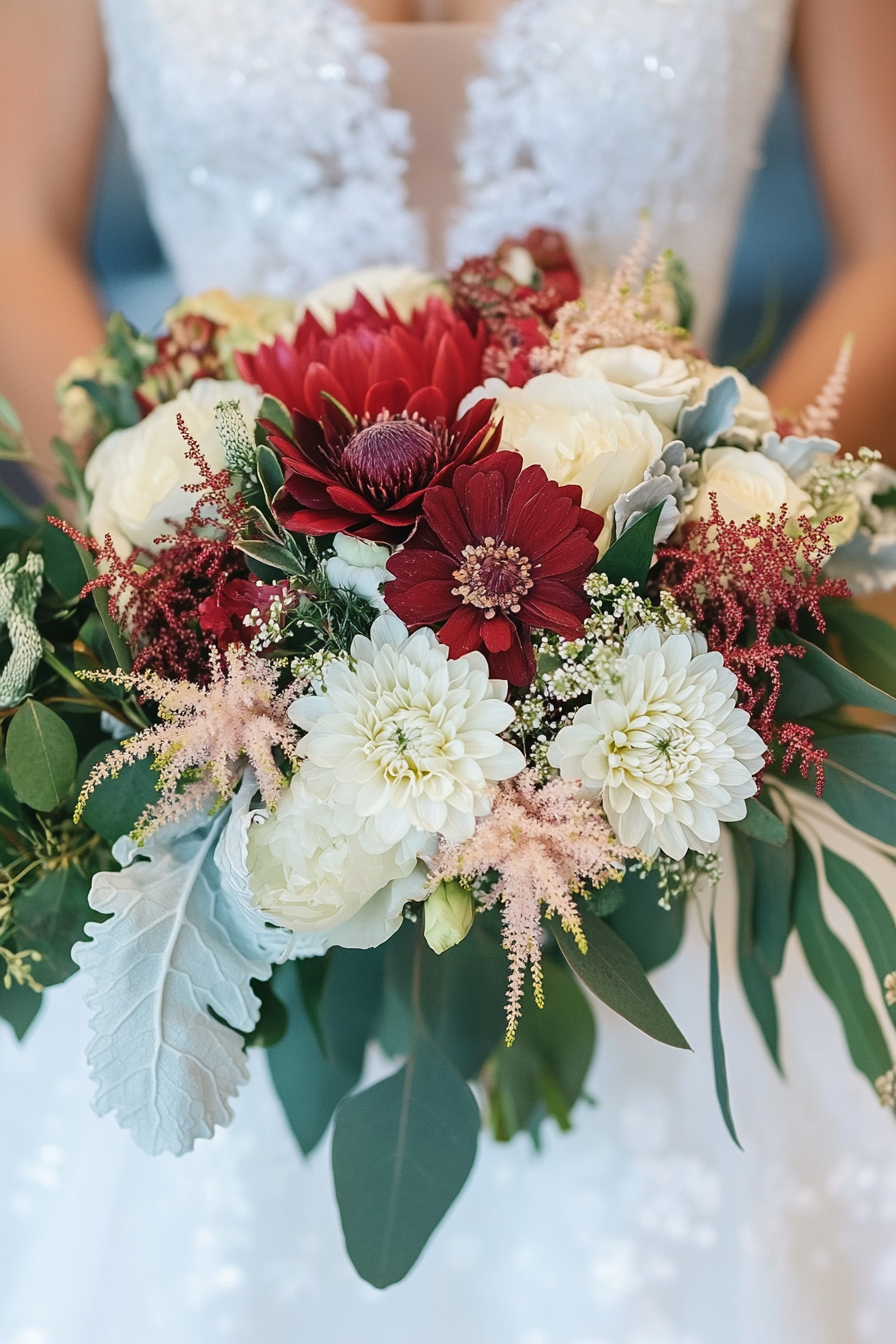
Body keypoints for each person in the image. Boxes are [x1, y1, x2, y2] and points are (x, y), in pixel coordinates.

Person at [1, 2, 896, 1341]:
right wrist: (191, 570)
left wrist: (725, 537)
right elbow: (15, 220)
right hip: (230, 691)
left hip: (665, 684)